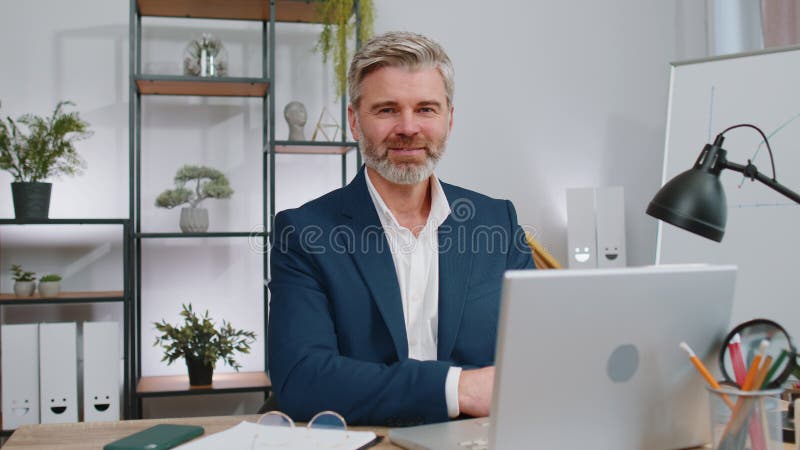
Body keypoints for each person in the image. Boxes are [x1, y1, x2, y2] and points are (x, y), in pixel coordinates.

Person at [267, 31, 535, 427]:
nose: (408, 127)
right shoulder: (303, 233)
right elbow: (302, 379)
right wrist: (456, 388)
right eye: (387, 110)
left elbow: (537, 354)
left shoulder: (498, 221)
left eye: (426, 109)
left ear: (449, 118)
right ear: (355, 121)